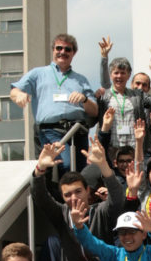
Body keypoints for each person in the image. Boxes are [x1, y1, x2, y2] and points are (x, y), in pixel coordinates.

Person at [30, 138, 123, 261]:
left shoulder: (101, 212)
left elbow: (117, 198)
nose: (73, 198)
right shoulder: (61, 214)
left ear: (88, 191)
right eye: (67, 195)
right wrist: (40, 169)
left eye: (78, 192)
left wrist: (103, 165)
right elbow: (40, 197)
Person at [9, 34, 98, 170]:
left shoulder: (81, 79)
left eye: (67, 49)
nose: (63, 52)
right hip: (51, 130)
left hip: (77, 130)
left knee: (81, 171)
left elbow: (94, 110)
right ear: (53, 50)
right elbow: (14, 91)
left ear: (73, 53)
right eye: (59, 48)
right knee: (65, 164)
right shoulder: (38, 74)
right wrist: (19, 95)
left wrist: (84, 99)